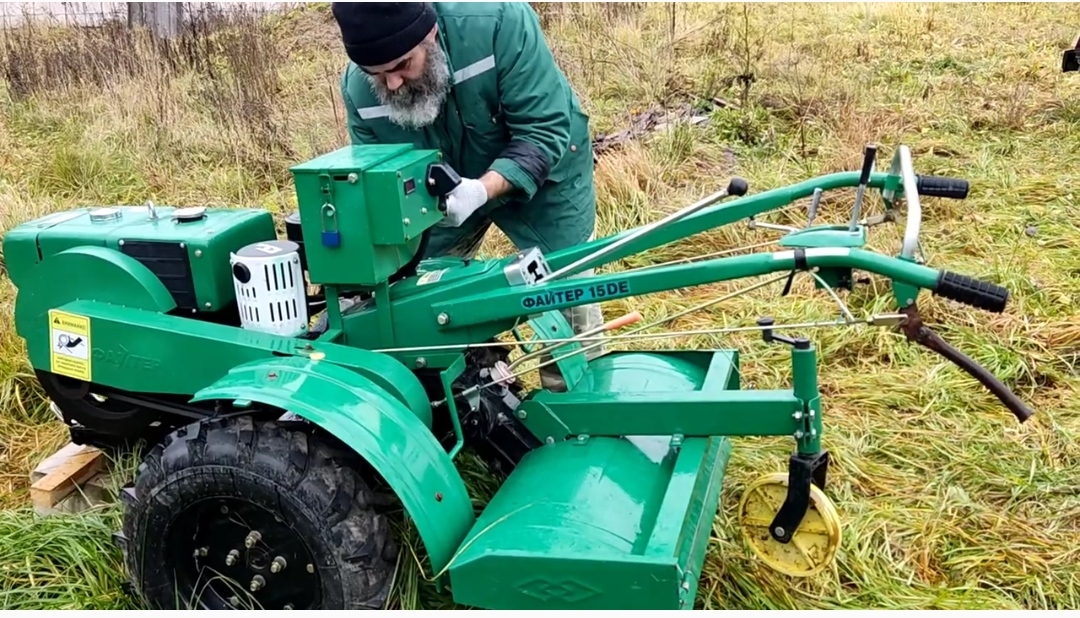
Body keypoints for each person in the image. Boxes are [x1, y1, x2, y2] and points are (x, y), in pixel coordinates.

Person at [331, 2, 605, 390]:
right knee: (418, 297)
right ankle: (466, 388)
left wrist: (481, 189)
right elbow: (375, 174)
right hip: (439, 198)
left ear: (429, 34)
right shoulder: (359, 90)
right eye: (376, 74)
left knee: (565, 285)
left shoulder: (497, 23)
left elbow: (543, 129)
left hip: (543, 171)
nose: (391, 84)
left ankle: (574, 408)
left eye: (401, 65)